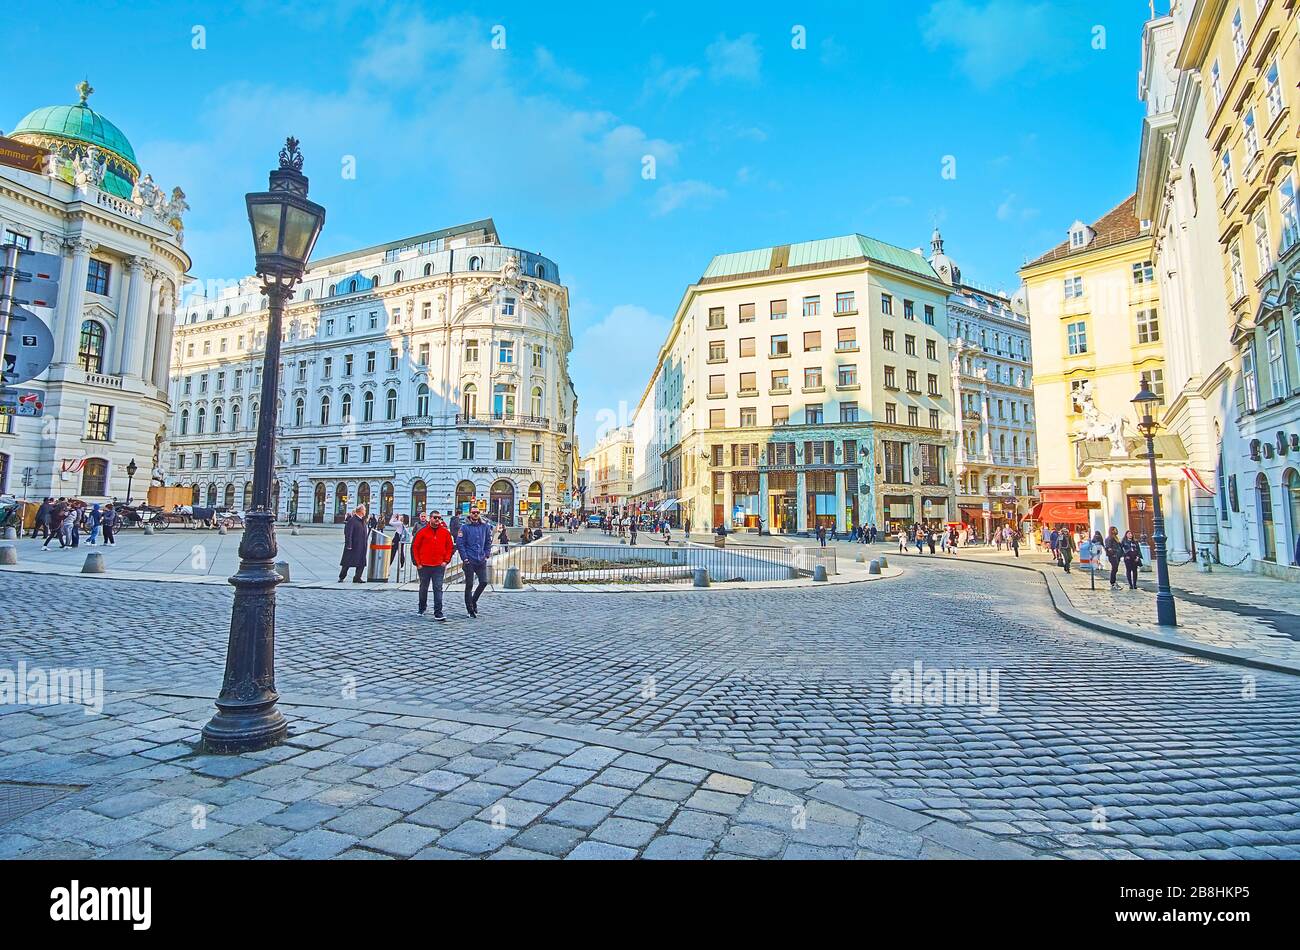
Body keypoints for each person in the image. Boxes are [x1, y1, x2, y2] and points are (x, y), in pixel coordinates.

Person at [412, 510, 454, 621]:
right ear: (430, 518)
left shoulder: (445, 532)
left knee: (438, 588)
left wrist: (446, 561)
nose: (437, 520)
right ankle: (422, 608)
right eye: (435, 517)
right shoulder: (422, 531)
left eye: (439, 518)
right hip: (424, 565)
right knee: (423, 588)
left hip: (439, 566)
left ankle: (438, 612)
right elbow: (415, 547)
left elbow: (450, 547)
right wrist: (418, 563)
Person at [456, 507, 493, 618]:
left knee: (484, 581)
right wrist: (465, 558)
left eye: (477, 512)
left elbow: (488, 542)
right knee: (469, 585)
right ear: (470, 514)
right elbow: (460, 543)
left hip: (481, 559)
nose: (475, 514)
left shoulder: (485, 527)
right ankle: (470, 609)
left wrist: (486, 554)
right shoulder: (464, 528)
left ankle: (473, 601)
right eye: (473, 513)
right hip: (469, 560)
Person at [339, 505, 369, 583]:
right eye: (364, 510)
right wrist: (349, 544)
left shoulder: (362, 520)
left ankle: (357, 577)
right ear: (361, 511)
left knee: (361, 562)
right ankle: (342, 576)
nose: (365, 511)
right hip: (353, 546)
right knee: (347, 562)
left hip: (362, 545)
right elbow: (348, 533)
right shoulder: (352, 520)